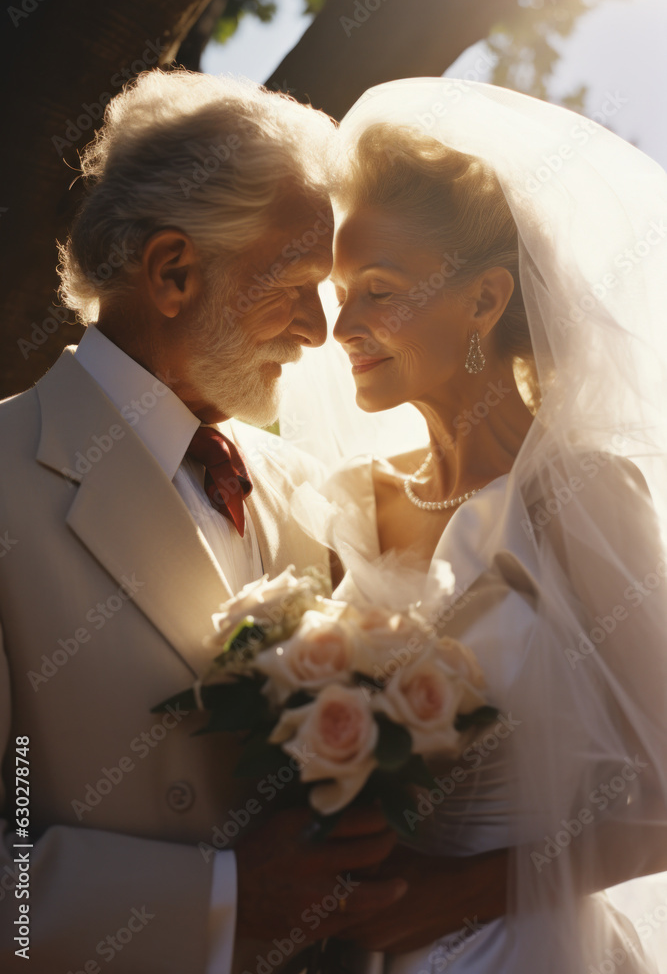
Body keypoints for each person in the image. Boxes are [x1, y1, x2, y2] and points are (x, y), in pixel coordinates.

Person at [0, 69, 408, 974]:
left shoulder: (313, 491)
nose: (317, 332)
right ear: (172, 273)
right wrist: (221, 899)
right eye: (298, 283)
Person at [281, 78, 667, 972]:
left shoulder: (576, 497)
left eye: (377, 289)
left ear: (486, 300)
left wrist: (449, 900)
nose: (342, 326)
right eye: (340, 290)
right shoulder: (344, 502)